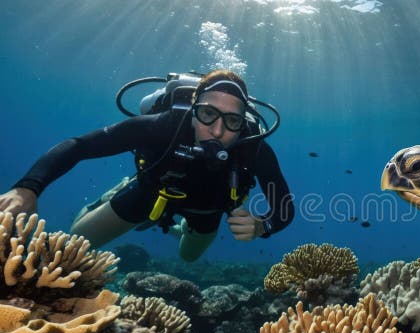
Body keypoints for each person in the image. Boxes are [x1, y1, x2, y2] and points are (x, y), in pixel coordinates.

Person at [0, 69, 294, 261]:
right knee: (79, 241)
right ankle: (113, 195)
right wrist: (27, 188)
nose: (217, 131)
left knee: (188, 258)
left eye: (232, 121)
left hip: (208, 211)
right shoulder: (161, 126)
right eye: (207, 114)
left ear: (243, 123)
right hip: (151, 192)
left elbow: (284, 206)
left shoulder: (254, 149)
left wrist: (262, 226)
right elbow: (79, 146)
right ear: (192, 110)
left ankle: (180, 228)